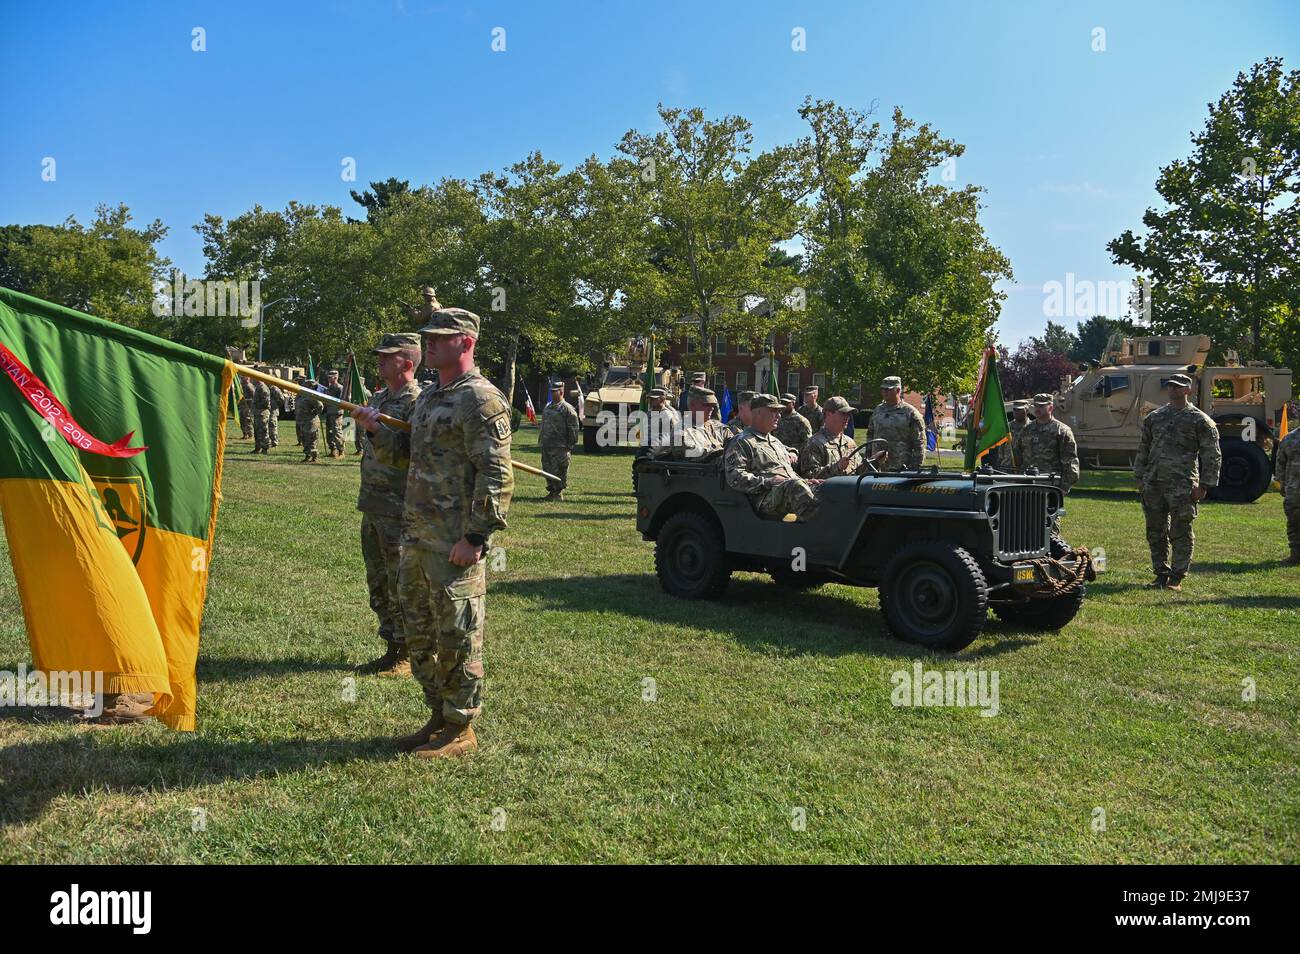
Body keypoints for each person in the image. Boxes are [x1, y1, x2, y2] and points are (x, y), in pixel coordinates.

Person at [354, 306, 513, 759]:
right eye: (427, 338)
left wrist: (476, 538)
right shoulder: (428, 398)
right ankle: (438, 715)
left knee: (457, 636)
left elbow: (496, 476)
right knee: (421, 636)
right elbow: (407, 457)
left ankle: (461, 728)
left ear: (466, 343)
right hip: (415, 538)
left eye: (440, 337)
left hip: (453, 545)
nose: (430, 344)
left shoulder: (480, 400)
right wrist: (376, 432)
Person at [356, 334, 423, 676]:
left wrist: (375, 430)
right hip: (373, 503)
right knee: (378, 581)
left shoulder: (418, 403)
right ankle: (392, 645)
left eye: (389, 356)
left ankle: (409, 653)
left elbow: (412, 453)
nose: (380, 360)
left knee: (401, 584)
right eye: (379, 355)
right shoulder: (380, 397)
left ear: (407, 363)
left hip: (399, 508)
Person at [1133, 373, 1221, 591]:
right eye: (1170, 386)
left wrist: (1204, 485)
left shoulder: (1199, 420)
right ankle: (1160, 574)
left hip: (1182, 485)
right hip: (1153, 482)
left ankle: (1176, 577)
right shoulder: (1155, 417)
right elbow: (1144, 448)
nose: (1173, 389)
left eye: (1179, 386)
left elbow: (1212, 454)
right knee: (1155, 531)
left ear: (1188, 391)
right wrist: (1140, 477)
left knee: (1181, 530)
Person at [725, 394, 822, 519]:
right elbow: (734, 477)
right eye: (773, 411)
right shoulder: (742, 442)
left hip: (785, 489)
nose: (779, 415)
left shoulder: (775, 442)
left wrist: (806, 482)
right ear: (758, 413)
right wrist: (767, 482)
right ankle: (821, 533)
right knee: (796, 487)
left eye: (779, 412)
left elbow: (785, 471)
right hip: (763, 497)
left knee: (825, 489)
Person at [1013, 394, 1079, 496]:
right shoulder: (1027, 429)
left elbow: (1070, 461)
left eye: (1041, 406)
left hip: (1050, 484)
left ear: (1051, 408)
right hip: (1026, 484)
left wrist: (1064, 488)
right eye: (1036, 405)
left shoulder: (1062, 431)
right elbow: (1017, 456)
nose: (1037, 408)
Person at [868, 375, 925, 472]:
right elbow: (870, 435)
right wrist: (869, 461)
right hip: (877, 469)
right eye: (883, 389)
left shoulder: (910, 413)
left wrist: (913, 469)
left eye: (888, 389)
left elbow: (919, 443)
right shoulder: (878, 410)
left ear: (898, 390)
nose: (884, 392)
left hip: (900, 470)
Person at [799, 396, 863, 478]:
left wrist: (875, 461)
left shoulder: (850, 443)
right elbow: (809, 475)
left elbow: (859, 470)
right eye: (843, 413)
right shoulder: (815, 443)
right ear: (829, 414)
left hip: (852, 488)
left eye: (848, 414)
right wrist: (836, 467)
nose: (847, 417)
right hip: (827, 489)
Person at [539, 380, 579, 500]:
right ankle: (551, 491)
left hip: (560, 446)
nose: (552, 393)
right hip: (547, 444)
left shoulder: (567, 408)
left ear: (561, 391)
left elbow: (573, 428)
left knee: (560, 470)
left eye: (555, 391)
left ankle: (558, 493)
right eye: (551, 391)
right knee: (547, 469)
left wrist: (570, 444)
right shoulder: (548, 406)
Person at [1275, 425, 1300, 564]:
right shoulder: (1289, 438)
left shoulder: (1289, 438)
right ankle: (1296, 555)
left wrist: (1283, 483)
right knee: (1294, 523)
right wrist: (1283, 484)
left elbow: (1280, 464)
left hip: (1293, 489)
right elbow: (1280, 463)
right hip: (1294, 490)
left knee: (1294, 523)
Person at [993, 400, 1029, 470]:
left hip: (1024, 471)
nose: (1016, 412)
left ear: (1027, 410)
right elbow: (1000, 450)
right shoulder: (1007, 427)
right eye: (1014, 409)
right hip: (1006, 468)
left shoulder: (1032, 427)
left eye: (1019, 409)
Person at [295, 377, 324, 462]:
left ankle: (314, 457)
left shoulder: (312, 395)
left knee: (311, 439)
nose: (304, 385)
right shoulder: (301, 394)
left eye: (306, 384)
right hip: (302, 420)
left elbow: (320, 406)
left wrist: (314, 413)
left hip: (311, 421)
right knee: (304, 439)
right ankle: (307, 456)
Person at [322, 369, 346, 458]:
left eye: (331, 377)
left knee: (337, 432)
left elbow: (343, 401)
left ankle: (341, 451)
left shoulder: (340, 388)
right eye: (328, 377)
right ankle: (332, 450)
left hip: (336, 412)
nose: (329, 379)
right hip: (329, 412)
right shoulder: (328, 388)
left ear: (336, 377)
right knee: (329, 432)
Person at [247, 374, 270, 454]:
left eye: (254, 378)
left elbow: (266, 402)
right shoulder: (258, 387)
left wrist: (257, 405)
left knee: (263, 431)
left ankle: (265, 448)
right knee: (257, 432)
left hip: (262, 413)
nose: (252, 379)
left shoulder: (263, 388)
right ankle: (257, 448)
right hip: (257, 413)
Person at [353, 375, 371, 455]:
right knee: (356, 433)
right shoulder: (356, 392)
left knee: (362, 433)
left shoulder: (366, 392)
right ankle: (359, 448)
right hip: (357, 415)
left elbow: (370, 403)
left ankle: (363, 449)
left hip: (363, 415)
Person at [267, 379, 282, 449]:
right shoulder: (267, 387)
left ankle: (274, 442)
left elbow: (281, 398)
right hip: (267, 410)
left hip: (273, 411)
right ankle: (270, 441)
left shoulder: (274, 388)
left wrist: (275, 404)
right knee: (268, 427)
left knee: (272, 426)